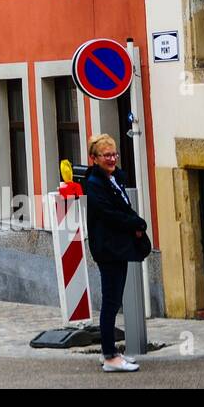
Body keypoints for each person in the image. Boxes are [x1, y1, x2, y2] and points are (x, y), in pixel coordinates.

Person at [84, 133, 148, 373]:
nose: (112, 159)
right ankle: (109, 356)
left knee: (114, 299)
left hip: (117, 247)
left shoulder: (113, 178)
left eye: (114, 154)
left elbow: (122, 206)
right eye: (106, 155)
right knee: (111, 302)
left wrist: (135, 224)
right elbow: (109, 213)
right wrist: (135, 223)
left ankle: (111, 352)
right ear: (94, 158)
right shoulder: (95, 184)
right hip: (108, 249)